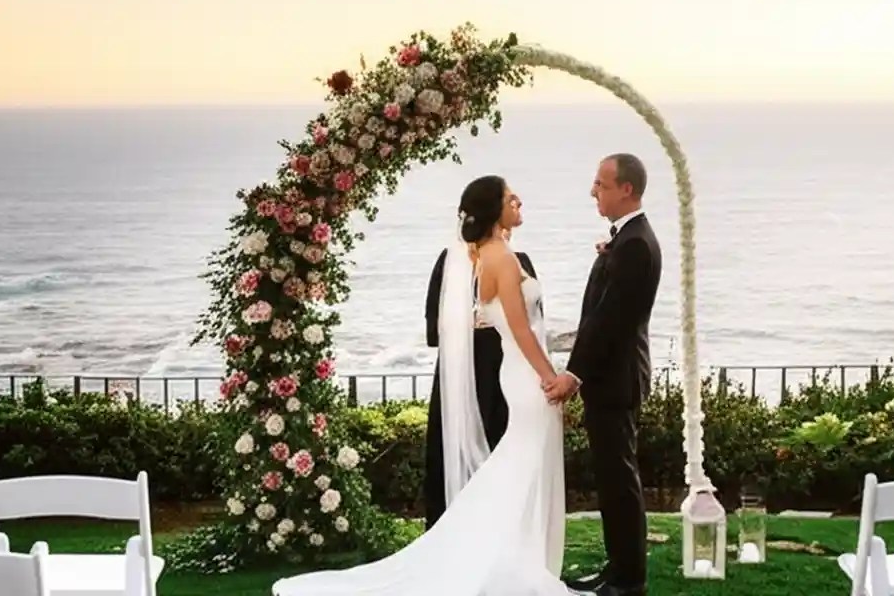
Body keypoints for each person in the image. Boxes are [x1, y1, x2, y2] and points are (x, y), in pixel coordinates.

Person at [272, 175, 569, 596]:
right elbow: (519, 330)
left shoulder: (486, 256)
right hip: (521, 372)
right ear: (492, 209)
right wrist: (551, 376)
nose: (517, 199)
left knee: (512, 465)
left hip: (514, 372)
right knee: (518, 466)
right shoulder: (499, 257)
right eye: (508, 197)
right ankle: (505, 557)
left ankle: (505, 555)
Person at [544, 153, 661, 596]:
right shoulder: (626, 239)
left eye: (600, 183)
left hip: (617, 380)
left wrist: (573, 375)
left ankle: (630, 580)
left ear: (625, 189)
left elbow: (611, 319)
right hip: (611, 379)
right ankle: (617, 569)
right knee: (612, 481)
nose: (594, 191)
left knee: (621, 482)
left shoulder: (634, 243)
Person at [422, 197, 539, 529]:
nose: (518, 201)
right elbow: (532, 326)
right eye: (508, 199)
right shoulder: (517, 263)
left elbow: (434, 331)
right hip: (499, 375)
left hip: (473, 377)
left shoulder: (450, 264)